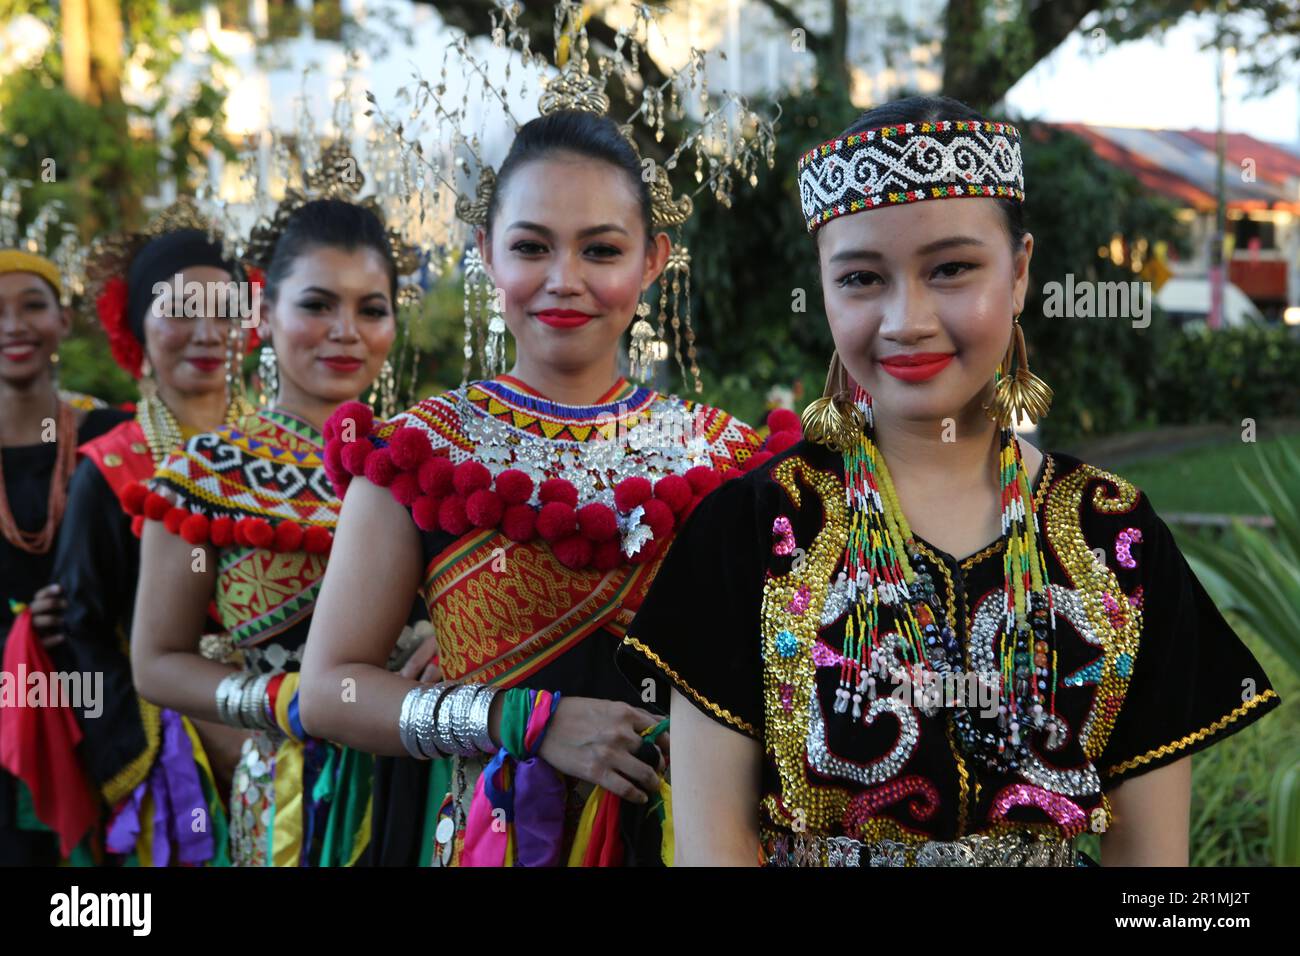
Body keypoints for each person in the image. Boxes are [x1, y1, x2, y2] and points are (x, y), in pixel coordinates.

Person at [618, 95, 1282, 867]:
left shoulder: (1117, 538)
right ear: (826, 290)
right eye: (863, 278)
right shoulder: (750, 531)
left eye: (952, 269)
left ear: (1022, 270)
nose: (907, 319)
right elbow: (714, 845)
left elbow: (1152, 862)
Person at [300, 109, 789, 866]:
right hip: (489, 839)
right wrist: (523, 720)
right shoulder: (420, 449)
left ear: (653, 260)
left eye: (601, 250)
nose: (566, 281)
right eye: (531, 247)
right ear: (486, 254)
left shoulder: (729, 459)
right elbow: (332, 692)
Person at [129, 198, 406, 866]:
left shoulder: (423, 463)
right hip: (291, 792)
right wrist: (283, 701)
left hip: (425, 779)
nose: (346, 331)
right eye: (317, 305)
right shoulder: (204, 476)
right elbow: (156, 661)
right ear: (263, 317)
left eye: (371, 309)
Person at [46, 205, 259, 865]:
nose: (205, 331)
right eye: (178, 310)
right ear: (134, 325)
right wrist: (184, 740)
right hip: (178, 762)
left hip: (309, 731)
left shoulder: (291, 449)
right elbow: (83, 635)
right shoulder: (107, 468)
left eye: (224, 308)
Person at [0, 231, 129, 864]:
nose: (13, 326)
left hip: (106, 705)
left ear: (64, 320)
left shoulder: (110, 435)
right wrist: (15, 633)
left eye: (31, 305)